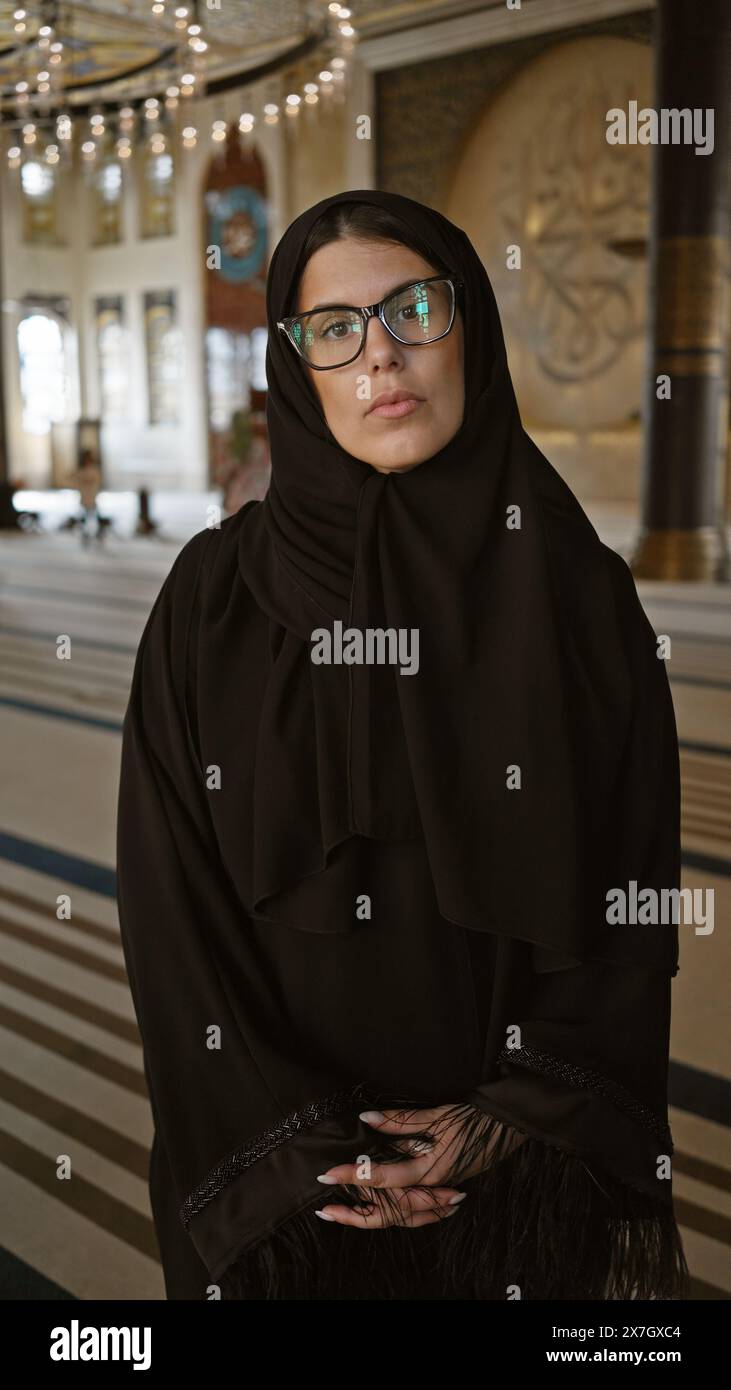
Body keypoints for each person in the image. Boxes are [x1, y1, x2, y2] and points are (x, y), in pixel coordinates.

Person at [116, 189, 690, 1301]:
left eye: (412, 310)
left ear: (466, 321)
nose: (380, 356)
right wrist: (291, 1151)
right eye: (335, 330)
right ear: (300, 368)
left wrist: (515, 1117)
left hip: (510, 1183)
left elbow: (634, 882)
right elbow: (168, 900)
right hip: (289, 1180)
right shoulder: (211, 602)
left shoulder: (576, 595)